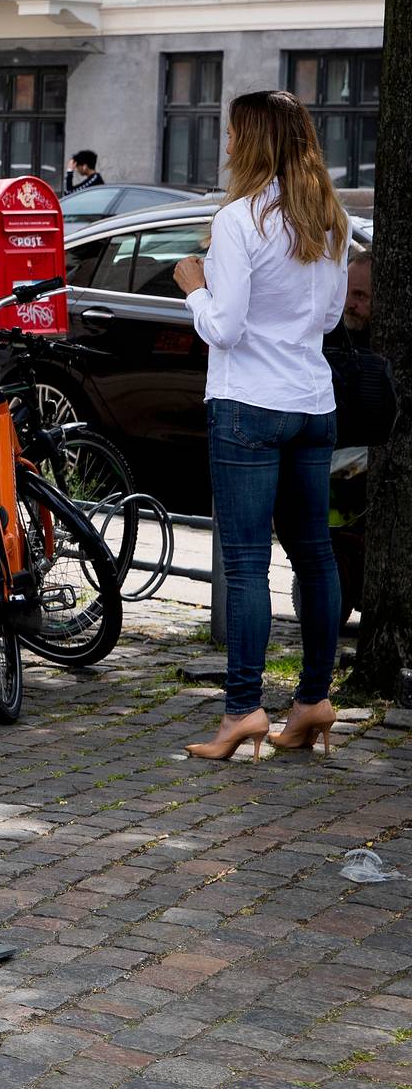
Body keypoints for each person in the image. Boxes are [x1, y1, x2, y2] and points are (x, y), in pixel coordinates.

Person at [173, 90, 349, 759]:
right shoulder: (331, 220)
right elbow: (330, 319)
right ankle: (313, 699)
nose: (224, 145)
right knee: (314, 554)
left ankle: (244, 709)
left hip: (248, 402)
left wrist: (193, 282)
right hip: (312, 402)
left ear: (253, 142)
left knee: (246, 564)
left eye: (231, 134)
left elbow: (225, 324)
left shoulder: (241, 220)